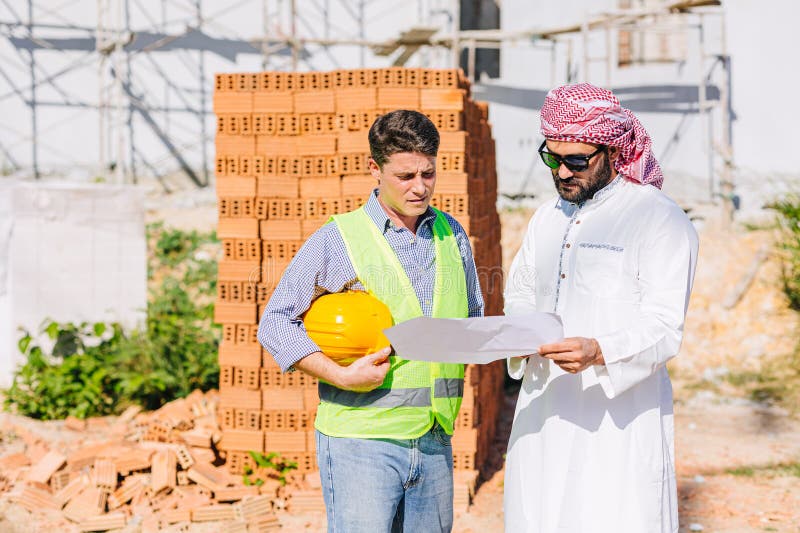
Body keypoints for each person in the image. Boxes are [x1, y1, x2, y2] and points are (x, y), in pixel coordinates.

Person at [258, 109, 484, 533]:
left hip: (434, 438)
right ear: (374, 169)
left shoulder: (452, 234)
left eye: (428, 173)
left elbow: (472, 320)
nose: (420, 187)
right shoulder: (339, 238)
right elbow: (275, 323)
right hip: (360, 442)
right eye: (405, 176)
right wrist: (340, 376)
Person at [502, 83, 699, 533]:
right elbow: (522, 291)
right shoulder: (546, 219)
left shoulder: (658, 218)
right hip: (544, 407)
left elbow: (665, 325)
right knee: (541, 513)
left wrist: (599, 350)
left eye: (576, 160)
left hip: (619, 417)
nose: (563, 172)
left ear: (612, 150)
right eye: (552, 158)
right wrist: (517, 334)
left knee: (613, 514)